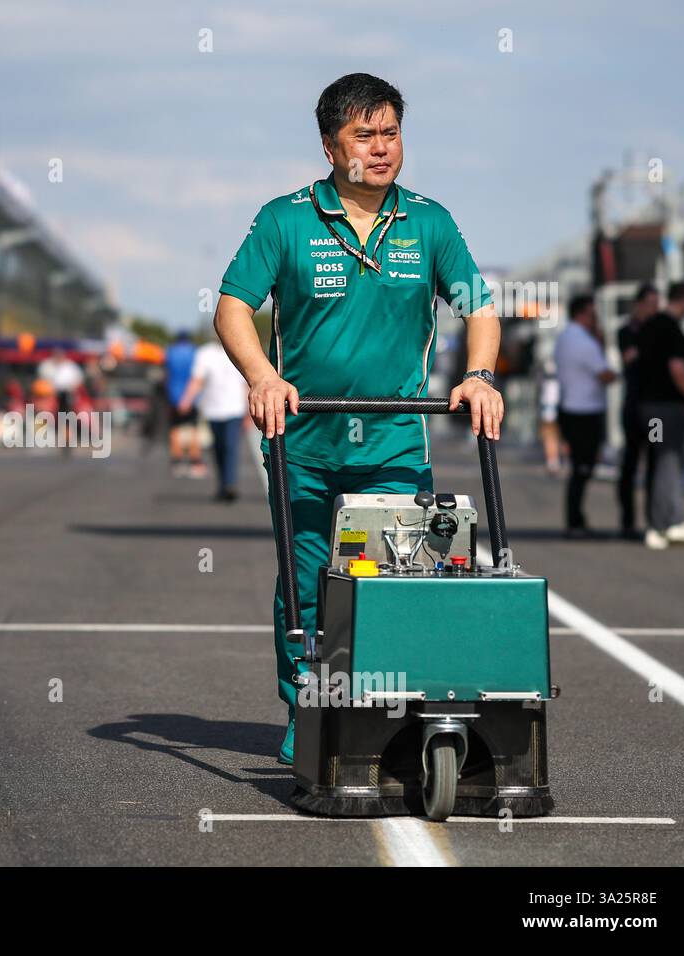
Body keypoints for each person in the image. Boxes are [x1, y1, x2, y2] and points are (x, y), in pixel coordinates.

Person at [213, 73, 502, 765]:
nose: (381, 149)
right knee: (311, 591)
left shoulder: (428, 221)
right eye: (363, 135)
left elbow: (480, 309)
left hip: (395, 443)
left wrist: (480, 375)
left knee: (399, 586)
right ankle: (306, 712)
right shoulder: (285, 218)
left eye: (391, 133)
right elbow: (231, 307)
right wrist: (263, 376)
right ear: (328, 145)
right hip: (303, 443)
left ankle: (397, 719)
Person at [637, 281, 684, 549]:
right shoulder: (671, 329)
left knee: (659, 460)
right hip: (665, 408)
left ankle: (658, 524)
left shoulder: (650, 326)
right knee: (668, 460)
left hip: (649, 408)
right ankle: (669, 522)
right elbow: (678, 368)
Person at [553, 293, 616, 537]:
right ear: (581, 314)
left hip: (570, 408)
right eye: (592, 314)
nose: (595, 319)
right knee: (582, 469)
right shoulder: (584, 342)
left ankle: (575, 519)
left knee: (580, 468)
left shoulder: (565, 337)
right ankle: (575, 522)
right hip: (584, 411)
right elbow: (605, 374)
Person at [178, 336, 249, 501]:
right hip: (212, 410)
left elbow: (245, 383)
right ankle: (222, 484)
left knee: (230, 446)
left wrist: (248, 411)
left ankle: (230, 484)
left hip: (234, 409)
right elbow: (197, 380)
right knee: (218, 448)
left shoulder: (239, 349)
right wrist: (186, 400)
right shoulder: (205, 354)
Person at [617, 284, 659, 538]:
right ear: (639, 304)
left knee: (657, 460)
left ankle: (656, 520)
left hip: (656, 412)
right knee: (630, 463)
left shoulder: (660, 328)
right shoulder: (627, 330)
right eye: (651, 303)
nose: (655, 309)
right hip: (634, 407)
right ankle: (628, 521)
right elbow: (629, 357)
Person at [165, 331, 204, 477]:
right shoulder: (195, 352)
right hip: (192, 395)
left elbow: (167, 372)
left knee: (175, 428)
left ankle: (177, 461)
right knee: (193, 429)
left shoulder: (170, 352)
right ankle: (195, 461)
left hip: (174, 395)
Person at [37, 349, 85, 453]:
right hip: (50, 396)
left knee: (67, 418)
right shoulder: (47, 366)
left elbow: (77, 381)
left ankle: (67, 439)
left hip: (66, 396)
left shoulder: (70, 367)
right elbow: (43, 382)